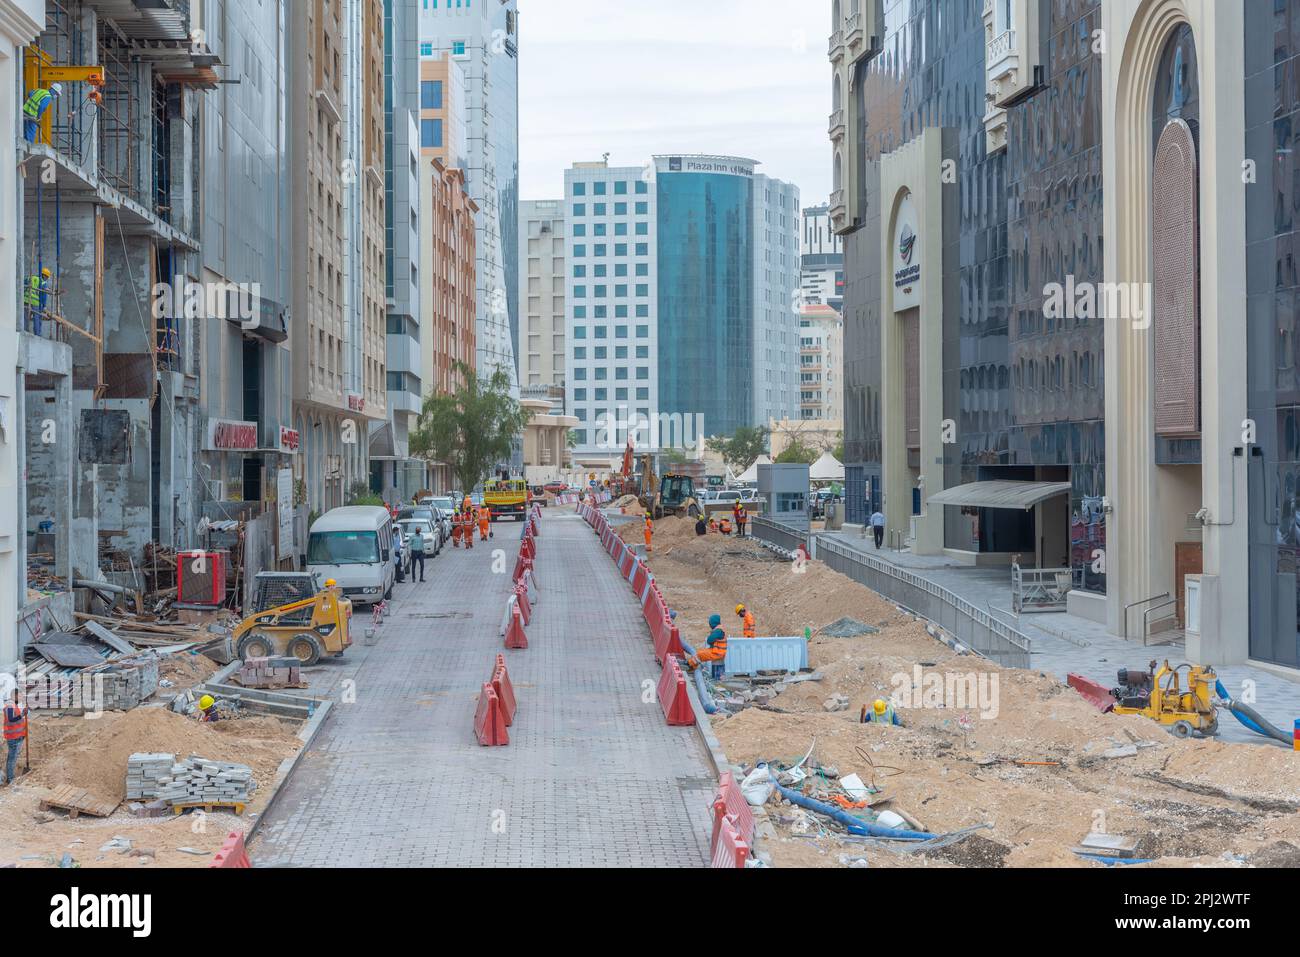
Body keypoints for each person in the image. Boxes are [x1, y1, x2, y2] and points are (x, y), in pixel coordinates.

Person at [689, 614, 728, 679]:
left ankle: (689, 665)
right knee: (700, 652)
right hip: (717, 652)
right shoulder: (719, 629)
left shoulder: (718, 630)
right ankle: (692, 665)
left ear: (713, 623)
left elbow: (709, 640)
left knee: (700, 654)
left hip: (717, 653)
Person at [2, 690, 27, 785]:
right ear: (15, 696)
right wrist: (22, 714)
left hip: (18, 736)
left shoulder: (13, 705)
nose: (21, 698)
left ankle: (10, 776)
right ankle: (10, 779)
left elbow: (17, 720)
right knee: (12, 758)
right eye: (20, 696)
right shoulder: (10, 706)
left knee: (12, 757)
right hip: (13, 737)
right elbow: (11, 719)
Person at [24, 267, 51, 334]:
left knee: (25, 317)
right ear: (44, 275)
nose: (47, 279)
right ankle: (37, 334)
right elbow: (43, 295)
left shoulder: (30, 277)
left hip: (25, 300)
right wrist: (44, 305)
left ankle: (25, 331)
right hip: (35, 302)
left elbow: (23, 283)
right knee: (37, 318)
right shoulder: (42, 282)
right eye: (47, 277)